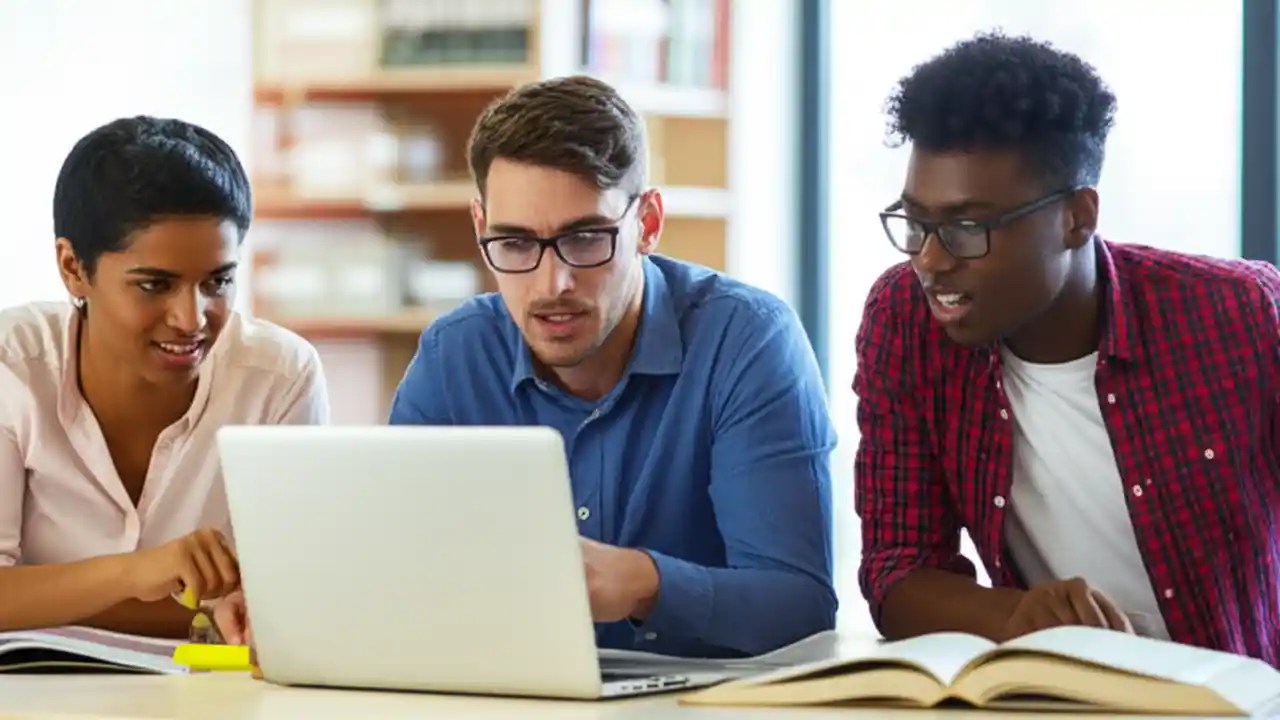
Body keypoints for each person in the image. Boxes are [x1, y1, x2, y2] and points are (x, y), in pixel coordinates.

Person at [343, 75, 833, 658]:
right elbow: (394, 578)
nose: (554, 284)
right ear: (481, 226)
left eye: (585, 239)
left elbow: (799, 606)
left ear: (647, 223)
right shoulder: (455, 356)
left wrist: (641, 584)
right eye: (516, 244)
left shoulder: (746, 341)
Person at [854, 30, 1280, 666]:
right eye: (918, 223)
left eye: (969, 227)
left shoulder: (1242, 315)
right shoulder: (905, 320)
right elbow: (897, 572)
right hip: (1057, 697)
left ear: (1078, 217)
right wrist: (1021, 616)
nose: (931, 261)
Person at [0, 116, 328, 638]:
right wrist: (137, 572)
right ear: (72, 267)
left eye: (218, 281)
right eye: (155, 285)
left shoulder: (280, 378)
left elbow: (286, 596)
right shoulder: (11, 365)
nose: (192, 318)